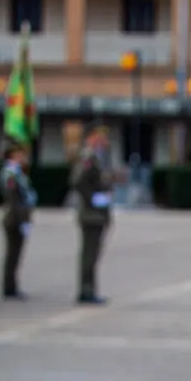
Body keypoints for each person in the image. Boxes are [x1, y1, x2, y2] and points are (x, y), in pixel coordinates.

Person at [71, 123, 113, 304]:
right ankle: (86, 290)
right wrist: (93, 199)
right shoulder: (89, 157)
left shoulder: (99, 157)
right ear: (92, 138)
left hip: (98, 215)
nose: (104, 141)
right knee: (89, 254)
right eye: (100, 136)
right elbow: (78, 181)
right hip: (91, 214)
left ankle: (90, 288)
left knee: (94, 254)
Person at [0, 142, 37, 300]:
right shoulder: (10, 174)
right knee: (12, 254)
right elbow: (13, 198)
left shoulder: (18, 172)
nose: (23, 158)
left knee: (16, 254)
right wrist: (21, 220)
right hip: (14, 218)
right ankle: (9, 287)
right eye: (20, 155)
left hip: (20, 217)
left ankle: (12, 285)